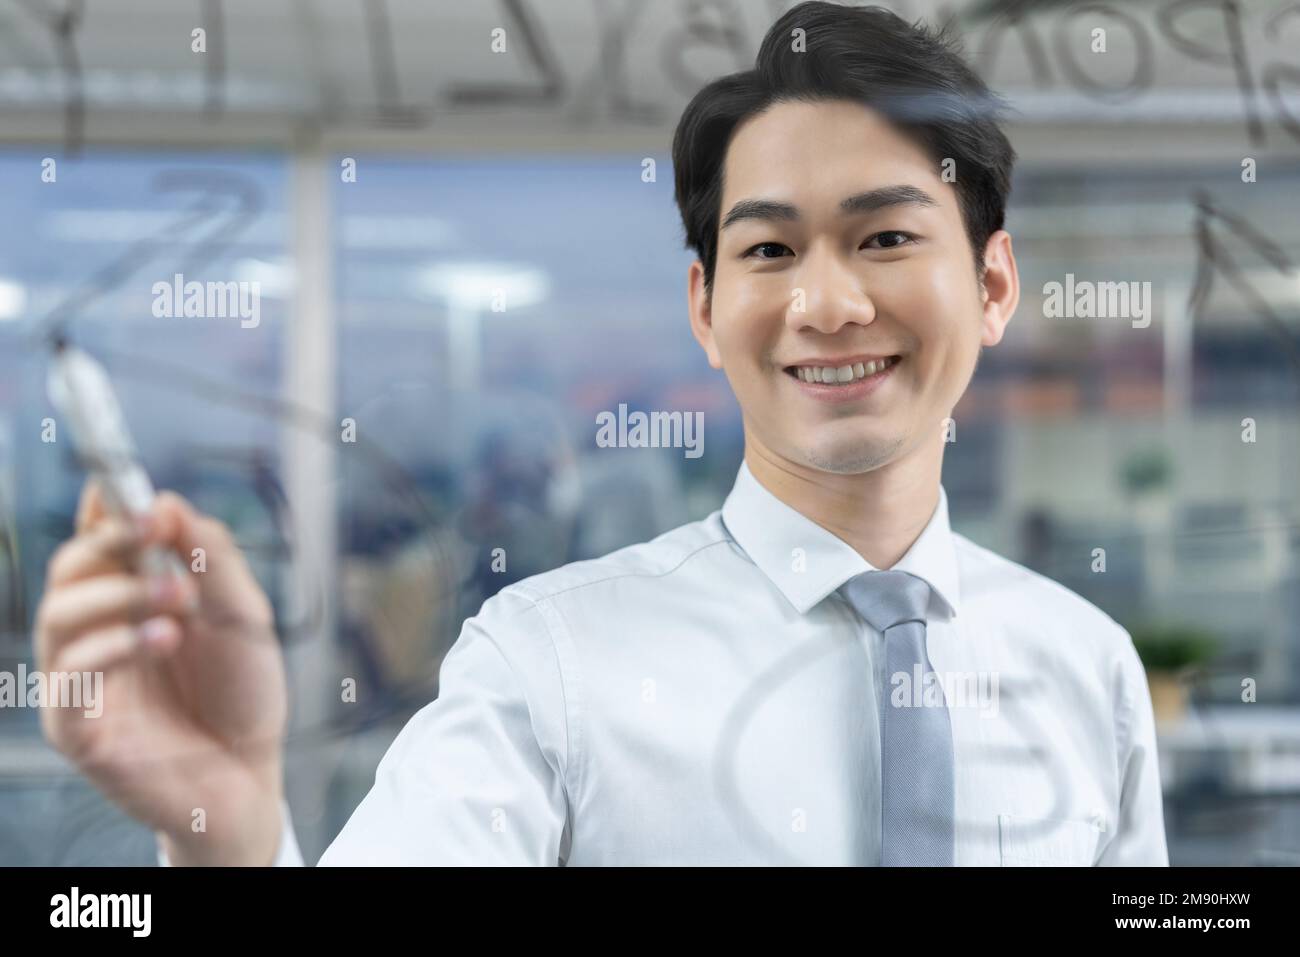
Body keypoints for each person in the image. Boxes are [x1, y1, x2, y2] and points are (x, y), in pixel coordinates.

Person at [33, 1, 1168, 866]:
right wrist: (227, 825)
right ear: (703, 308)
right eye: (768, 250)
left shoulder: (1087, 670)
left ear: (993, 283)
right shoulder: (546, 667)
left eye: (882, 238)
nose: (826, 305)